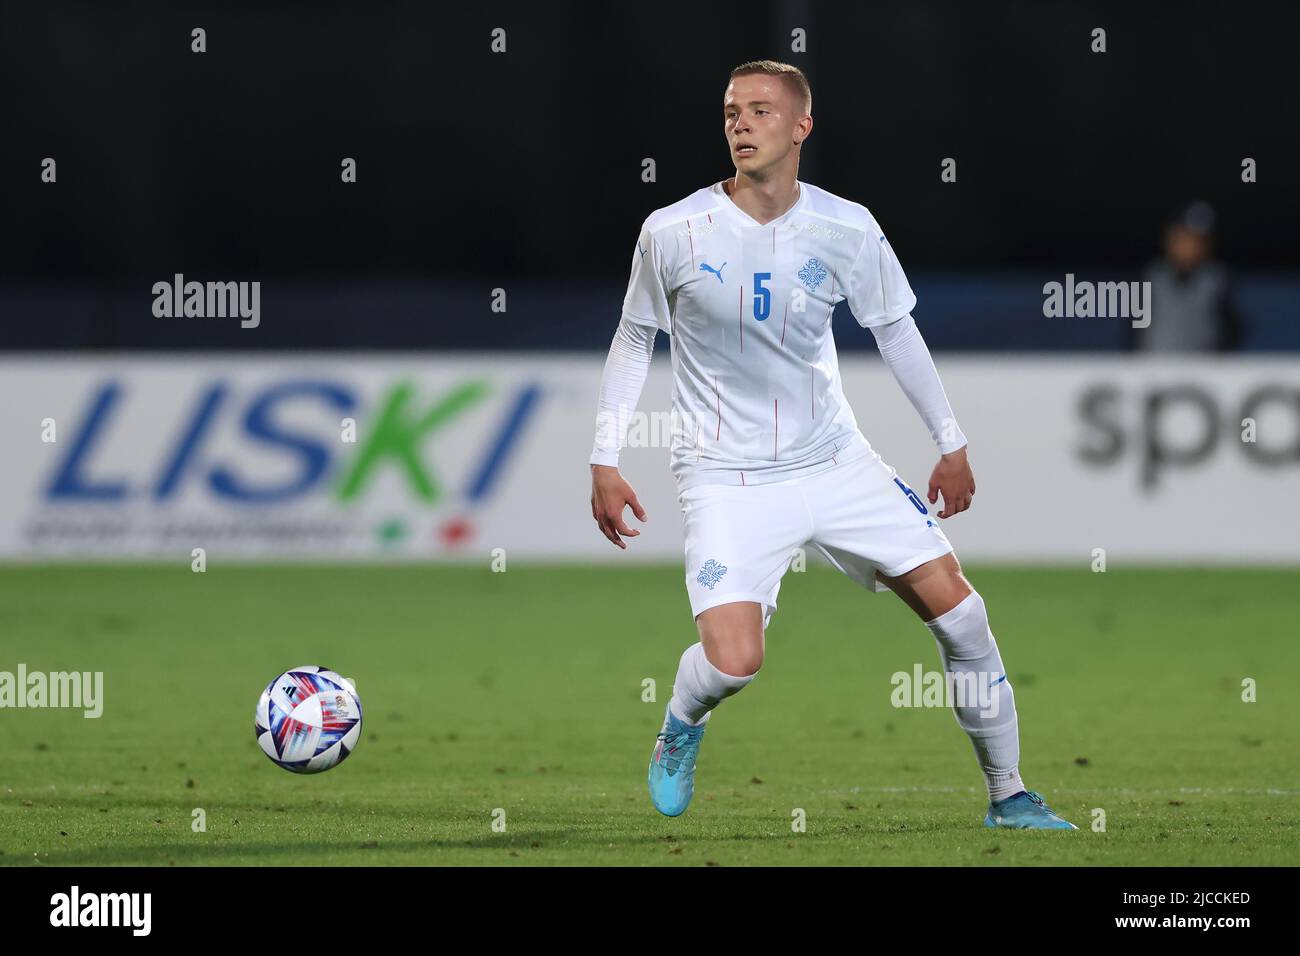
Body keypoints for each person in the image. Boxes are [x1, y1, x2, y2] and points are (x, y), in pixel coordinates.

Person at [588, 60, 1075, 830]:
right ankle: (681, 724)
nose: (740, 124)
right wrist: (604, 457)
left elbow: (897, 332)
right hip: (726, 477)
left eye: (758, 111)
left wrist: (951, 441)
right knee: (732, 664)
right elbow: (631, 338)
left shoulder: (846, 226)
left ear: (801, 126)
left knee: (963, 617)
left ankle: (1009, 794)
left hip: (835, 462)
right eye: (729, 111)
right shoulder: (672, 230)